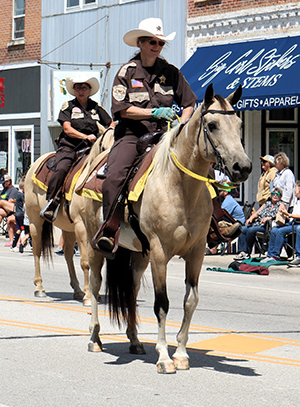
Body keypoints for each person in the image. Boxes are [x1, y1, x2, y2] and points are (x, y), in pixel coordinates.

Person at [94, 18, 196, 256]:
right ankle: (109, 228)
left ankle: (214, 220)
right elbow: (120, 109)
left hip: (165, 135)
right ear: (140, 43)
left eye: (160, 42)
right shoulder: (126, 72)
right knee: (115, 176)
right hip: (132, 134)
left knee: (201, 168)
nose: (157, 46)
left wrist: (181, 125)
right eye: (152, 41)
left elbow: (190, 102)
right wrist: (153, 111)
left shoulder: (171, 72)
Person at [41, 75, 112, 221]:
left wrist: (108, 133)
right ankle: (52, 201)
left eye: (84, 88)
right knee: (62, 168)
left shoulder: (96, 108)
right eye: (78, 88)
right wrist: (84, 136)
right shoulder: (68, 107)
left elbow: (111, 123)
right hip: (70, 147)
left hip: (92, 148)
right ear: (74, 90)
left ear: (89, 90)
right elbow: (67, 129)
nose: (81, 91)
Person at [265, 181, 300, 263]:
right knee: (274, 230)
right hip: (293, 223)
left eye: (296, 189)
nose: (294, 191)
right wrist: (285, 215)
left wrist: (288, 214)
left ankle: (275, 255)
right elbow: (293, 215)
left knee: (280, 231)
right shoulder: (298, 202)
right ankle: (270, 254)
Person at [235, 187, 282, 260]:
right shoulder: (267, 203)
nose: (275, 195)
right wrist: (251, 218)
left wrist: (268, 218)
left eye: (277, 194)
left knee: (251, 230)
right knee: (243, 229)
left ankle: (247, 252)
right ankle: (242, 251)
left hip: (267, 226)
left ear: (280, 196)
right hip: (258, 223)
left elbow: (279, 216)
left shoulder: (281, 205)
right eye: (273, 194)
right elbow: (257, 213)